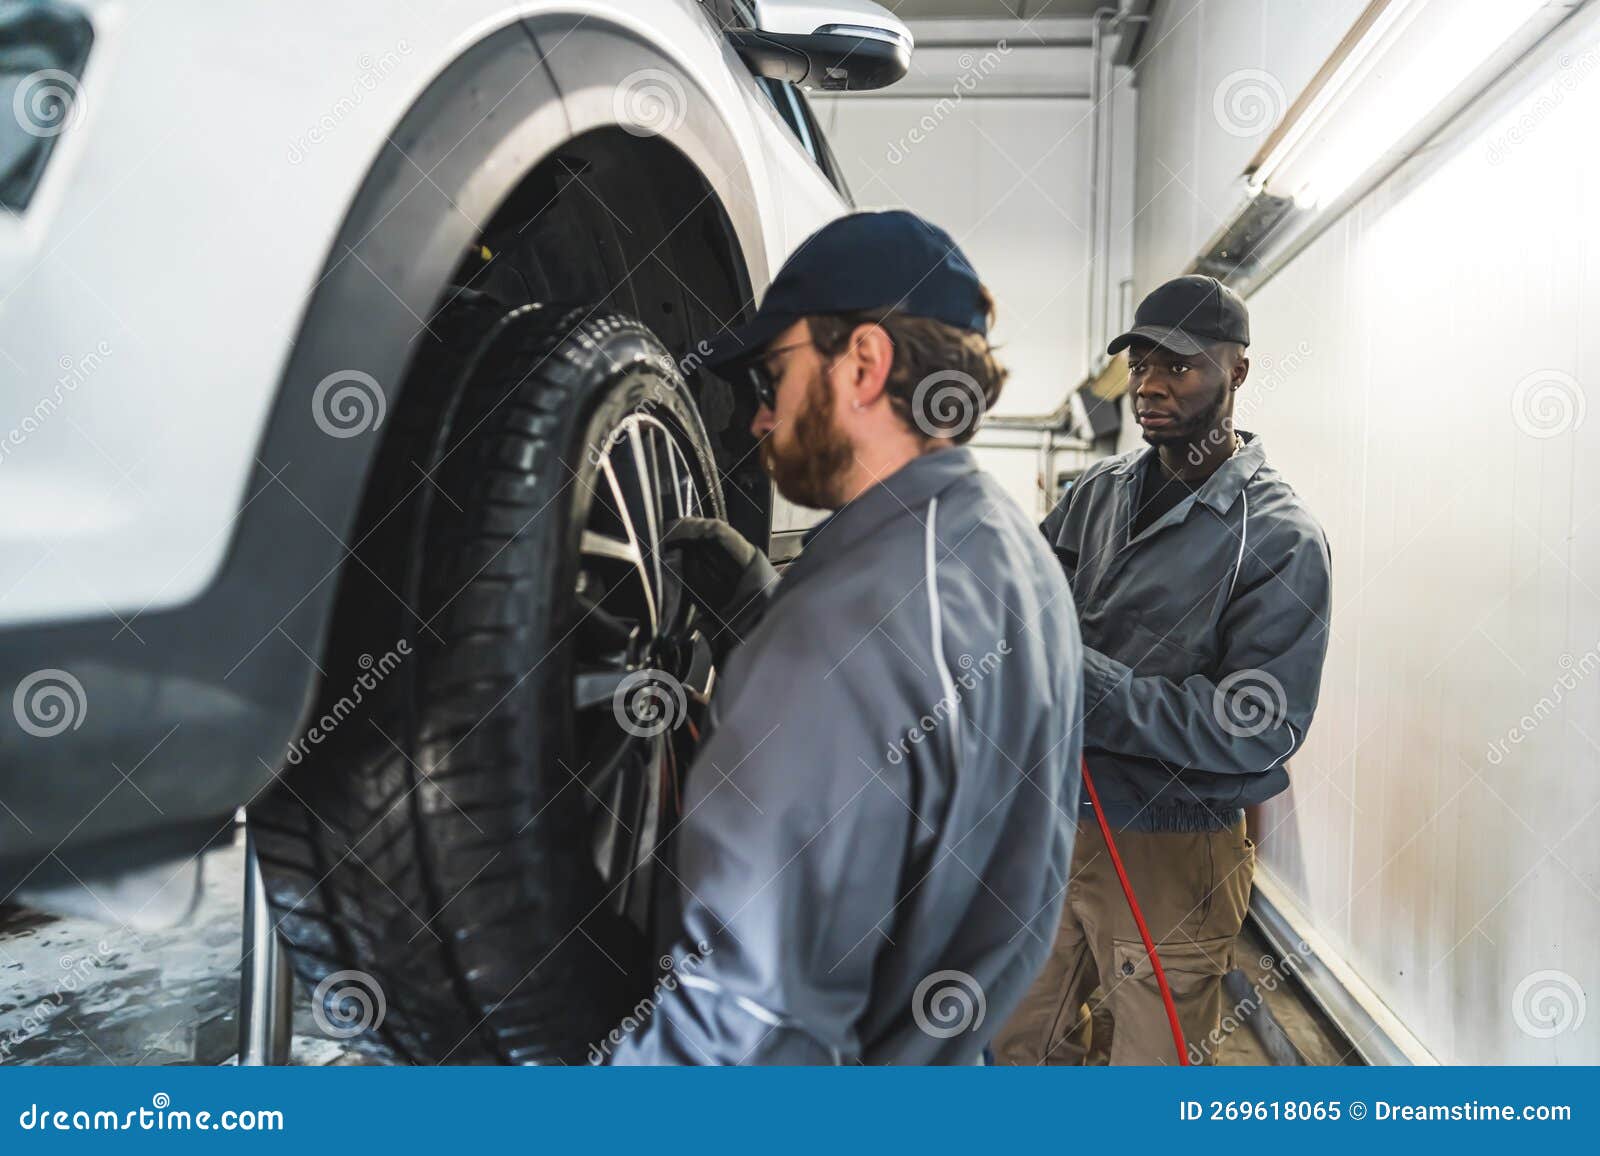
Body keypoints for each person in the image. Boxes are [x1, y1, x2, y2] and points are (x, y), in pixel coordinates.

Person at [606, 210, 1082, 1064]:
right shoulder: (1010, 554)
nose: (758, 418)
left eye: (771, 376)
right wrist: (766, 615)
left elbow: (745, 1036)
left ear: (863, 364)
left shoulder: (848, 632)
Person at [994, 274, 1332, 1066]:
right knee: (1016, 1043)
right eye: (1141, 362)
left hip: (1171, 849)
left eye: (1177, 367)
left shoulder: (1279, 538)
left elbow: (1260, 730)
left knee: (1153, 1069)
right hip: (1053, 824)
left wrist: (1089, 685)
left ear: (1236, 373)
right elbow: (1021, 603)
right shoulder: (1098, 495)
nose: (1149, 385)